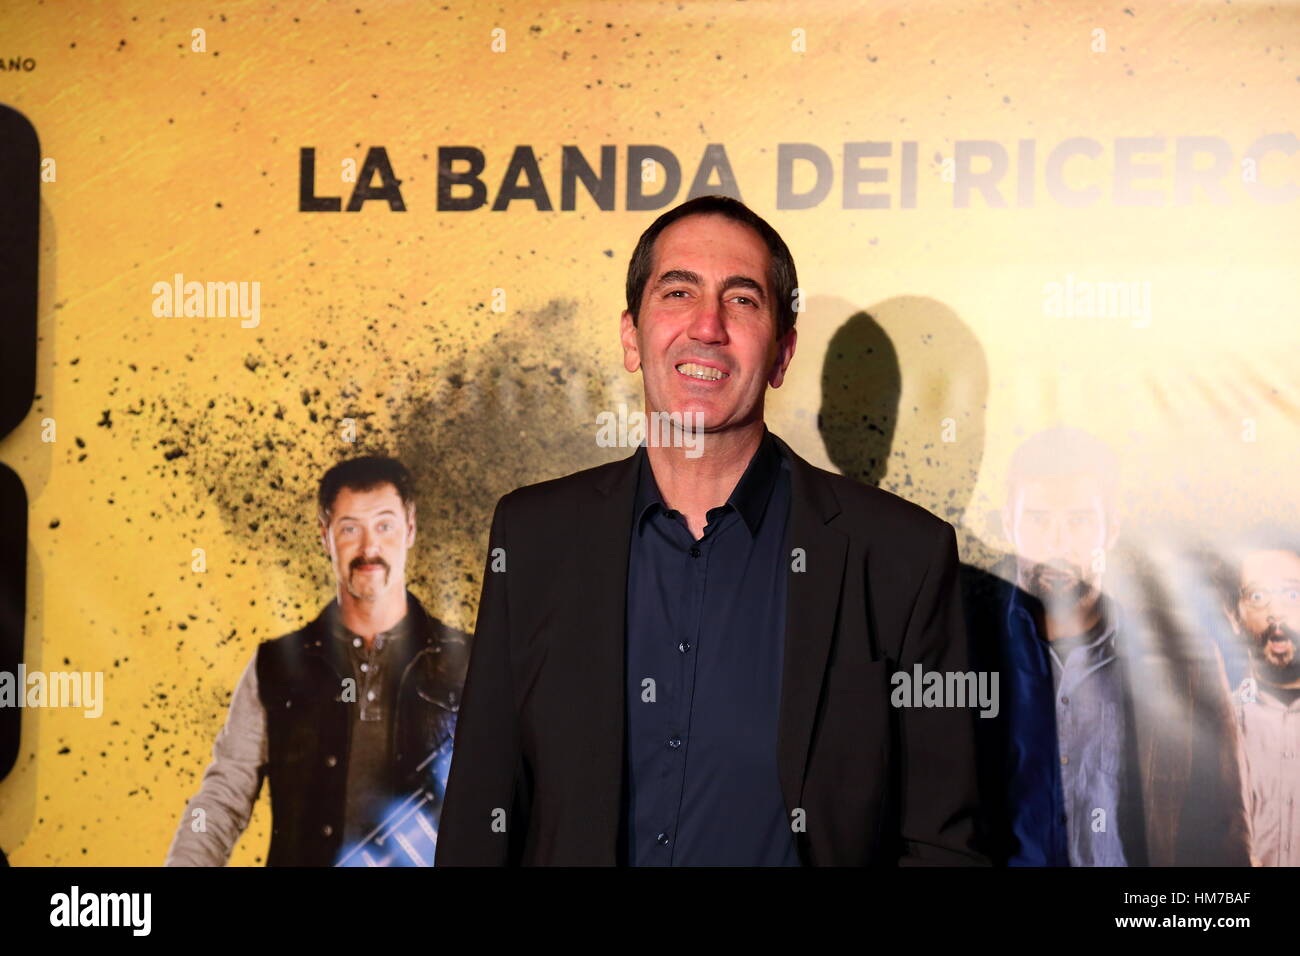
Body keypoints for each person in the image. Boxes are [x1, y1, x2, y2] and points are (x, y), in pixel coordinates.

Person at [436, 195, 985, 866]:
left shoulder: (900, 558)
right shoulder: (533, 538)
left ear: (782, 355)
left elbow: (941, 844)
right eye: (677, 292)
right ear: (631, 337)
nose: (707, 326)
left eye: (743, 300)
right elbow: (480, 816)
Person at [164, 456, 469, 866]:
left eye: (384, 525)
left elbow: (515, 795)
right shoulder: (274, 666)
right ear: (325, 536)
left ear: (409, 528)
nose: (369, 549)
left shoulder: (471, 663)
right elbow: (224, 796)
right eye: (349, 529)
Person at [967, 427, 1249, 865]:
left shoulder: (1180, 656)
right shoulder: (957, 634)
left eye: (1079, 520)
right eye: (1038, 520)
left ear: (1111, 528)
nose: (1058, 543)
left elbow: (1224, 821)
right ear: (1009, 523)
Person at [1216, 538, 1300, 866]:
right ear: (1234, 615)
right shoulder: (1215, 730)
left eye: (1293, 595)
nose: (1275, 613)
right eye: (1258, 596)